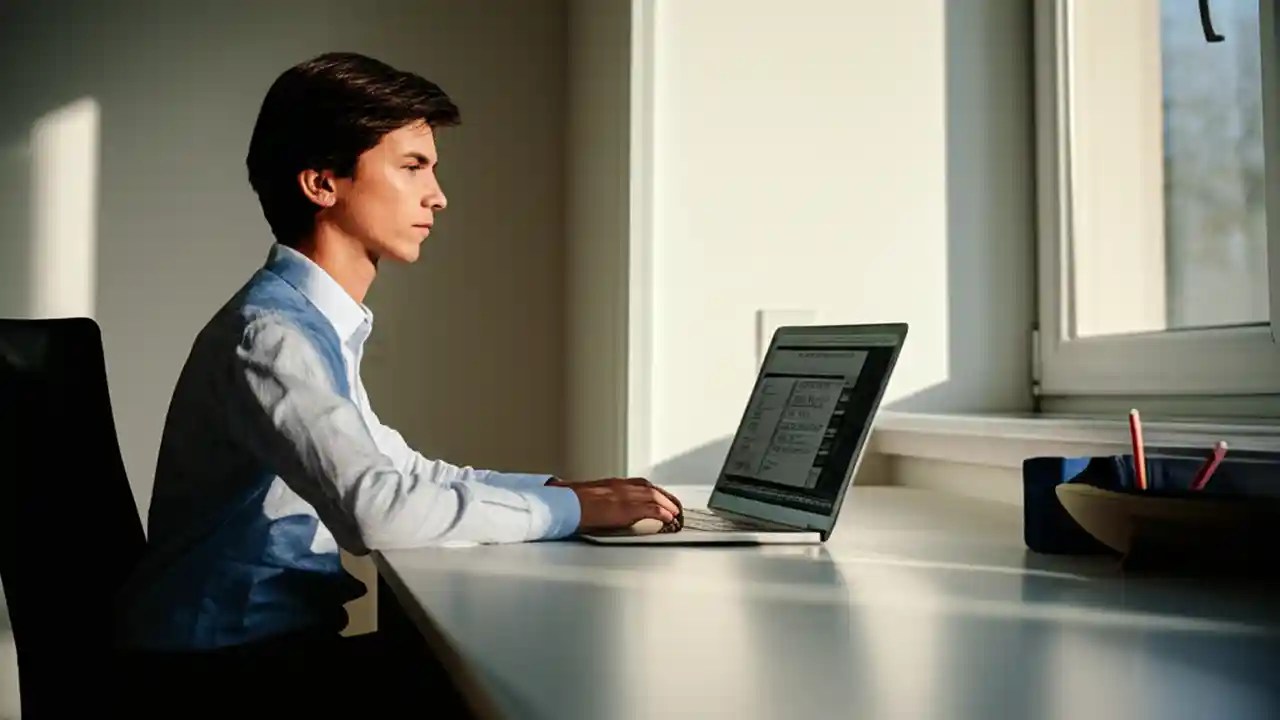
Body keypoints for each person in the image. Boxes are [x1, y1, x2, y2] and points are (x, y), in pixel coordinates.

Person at [113, 51, 682, 715]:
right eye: (413, 167)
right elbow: (377, 510)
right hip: (221, 678)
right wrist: (575, 513)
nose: (437, 195)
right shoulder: (273, 337)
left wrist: (561, 492)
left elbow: (401, 470)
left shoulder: (313, 324)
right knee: (525, 673)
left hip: (264, 655)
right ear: (323, 184)